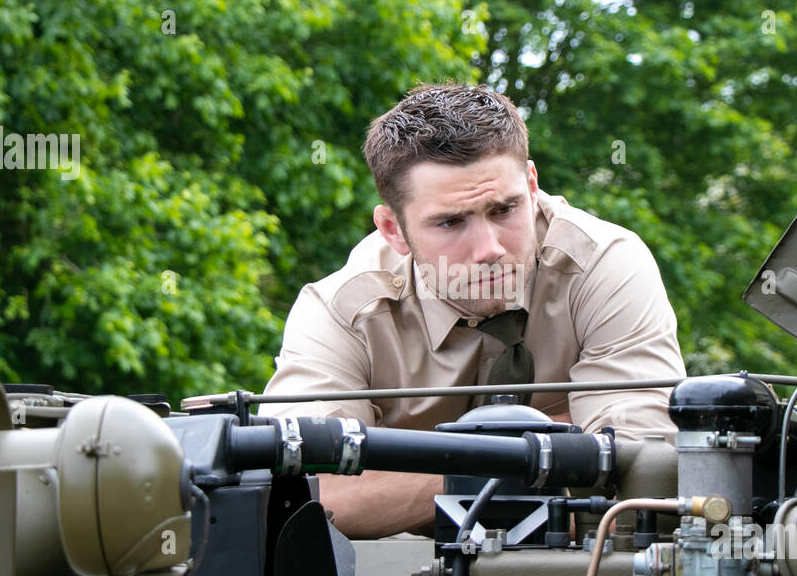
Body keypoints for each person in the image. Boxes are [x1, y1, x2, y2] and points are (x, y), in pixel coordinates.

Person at [257, 84, 686, 537]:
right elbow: (309, 498)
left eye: (505, 209)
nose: (490, 249)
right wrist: (541, 451)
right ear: (393, 229)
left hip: (590, 574)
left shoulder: (603, 263)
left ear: (533, 185)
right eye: (450, 222)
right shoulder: (341, 311)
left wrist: (407, 467)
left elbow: (645, 474)